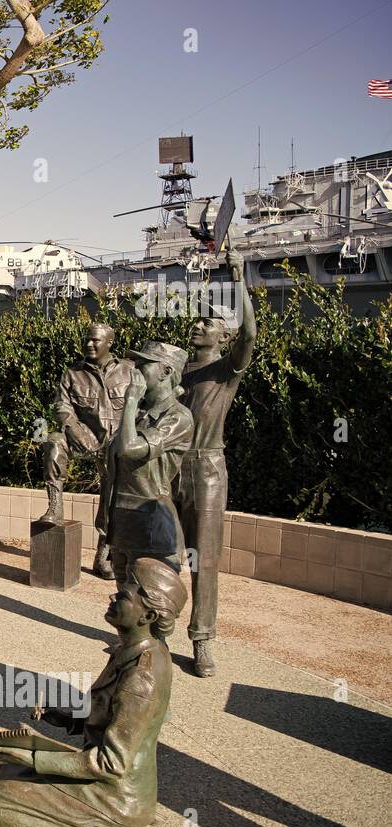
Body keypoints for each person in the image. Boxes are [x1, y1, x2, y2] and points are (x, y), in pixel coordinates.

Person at [0, 558, 186, 827]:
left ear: (149, 614)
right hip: (116, 787)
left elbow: (111, 763)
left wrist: (37, 759)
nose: (112, 597)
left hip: (114, 798)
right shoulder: (138, 651)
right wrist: (67, 717)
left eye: (124, 595)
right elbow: (114, 718)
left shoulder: (140, 678)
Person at [173, 245, 258, 678]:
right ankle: (155, 626)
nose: (198, 324)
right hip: (169, 469)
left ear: (223, 337)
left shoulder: (227, 372)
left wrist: (238, 275)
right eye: (198, 318)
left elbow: (251, 336)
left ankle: (202, 638)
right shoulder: (178, 370)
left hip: (206, 470)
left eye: (208, 322)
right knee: (160, 551)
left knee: (202, 561)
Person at [37, 324, 134, 578]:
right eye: (86, 340)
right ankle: (55, 506)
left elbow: (142, 407)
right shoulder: (72, 373)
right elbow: (62, 406)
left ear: (110, 342)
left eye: (95, 340)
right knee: (54, 441)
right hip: (83, 438)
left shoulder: (129, 371)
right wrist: (72, 427)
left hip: (118, 443)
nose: (89, 344)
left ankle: (104, 551)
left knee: (112, 491)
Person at [105, 341, 193, 590]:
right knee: (125, 605)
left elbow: (129, 450)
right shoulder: (139, 413)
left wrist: (131, 401)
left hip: (151, 524)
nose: (135, 370)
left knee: (149, 605)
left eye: (144, 364)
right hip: (122, 519)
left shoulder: (178, 417)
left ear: (166, 372)